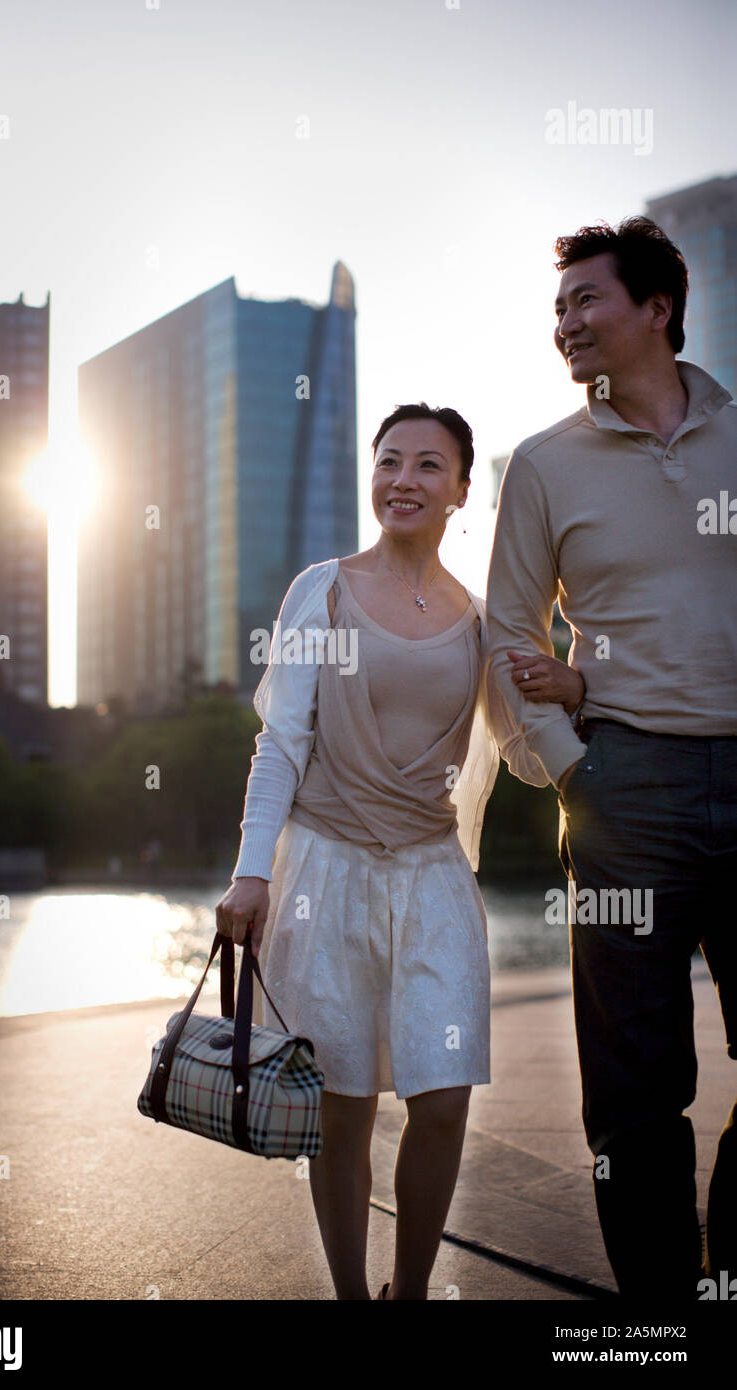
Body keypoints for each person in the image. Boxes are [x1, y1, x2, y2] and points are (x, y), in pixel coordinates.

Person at [215, 403, 582, 1300]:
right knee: (341, 1110)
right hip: (325, 874)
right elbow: (281, 745)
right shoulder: (324, 590)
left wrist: (569, 683)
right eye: (388, 462)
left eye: (427, 465)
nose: (403, 480)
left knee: (444, 1095)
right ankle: (354, 1296)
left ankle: (410, 1293)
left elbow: (528, 759)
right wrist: (250, 872)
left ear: (462, 490)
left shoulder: (482, 622)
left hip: (433, 877)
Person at [485, 216, 737, 1298]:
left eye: (584, 301)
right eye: (556, 308)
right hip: (623, 791)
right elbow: (503, 635)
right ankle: (657, 1316)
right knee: (634, 1093)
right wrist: (565, 763)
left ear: (655, 310)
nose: (564, 325)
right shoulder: (543, 463)